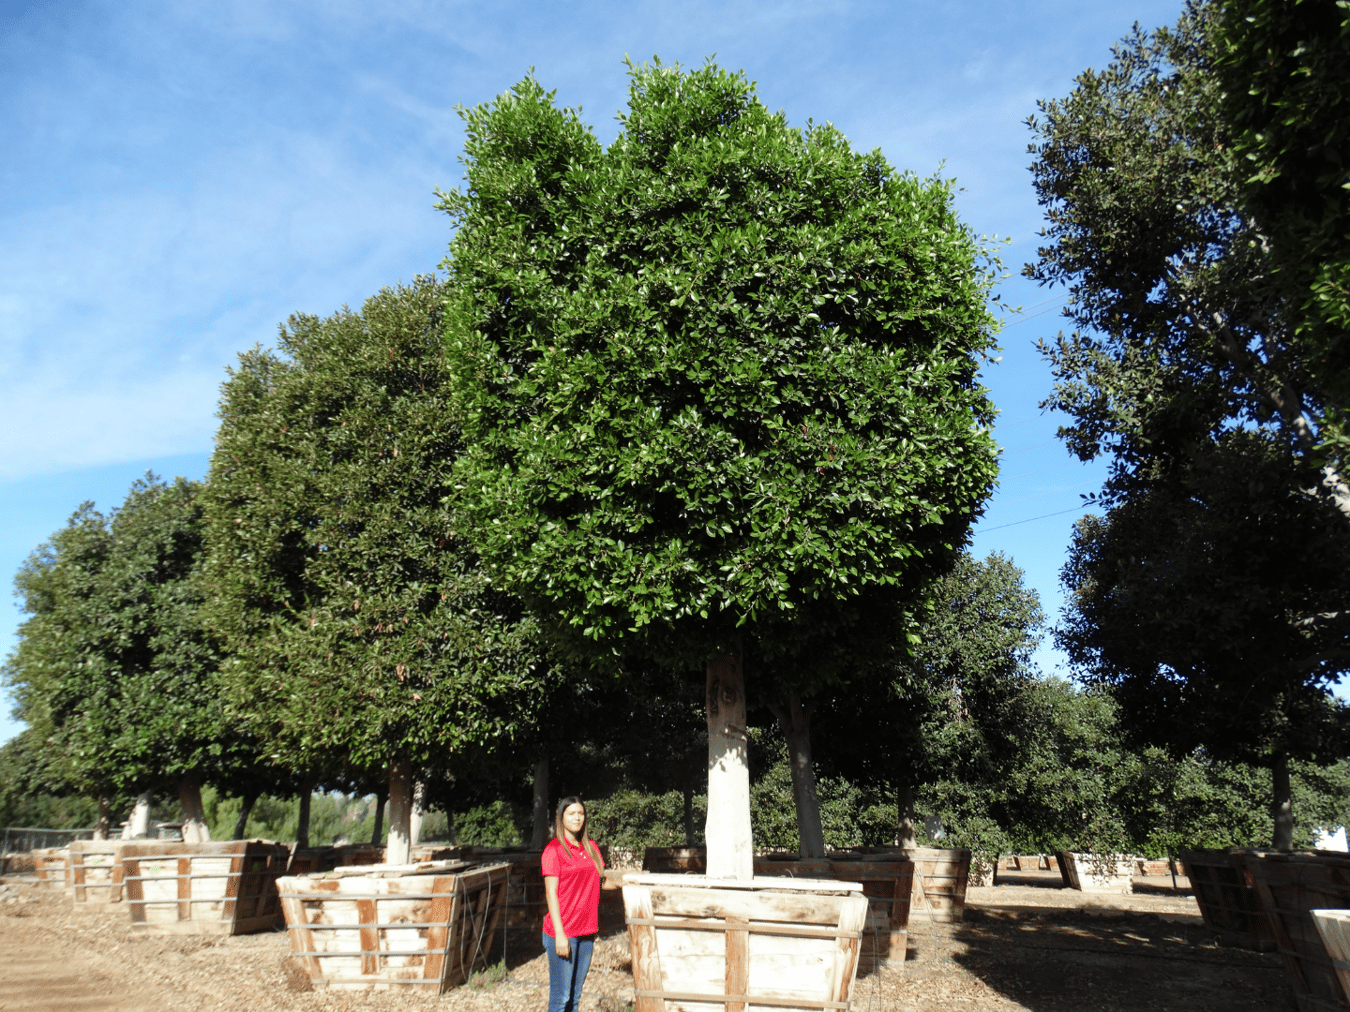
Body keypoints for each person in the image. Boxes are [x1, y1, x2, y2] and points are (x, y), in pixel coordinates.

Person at [542, 796, 604, 1012]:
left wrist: (631, 883)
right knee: (561, 998)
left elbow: (601, 882)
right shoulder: (554, 850)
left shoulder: (591, 846)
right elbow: (551, 893)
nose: (577, 818)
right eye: (572, 813)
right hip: (564, 931)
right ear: (561, 818)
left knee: (575, 998)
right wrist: (559, 934)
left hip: (587, 931)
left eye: (581, 813)